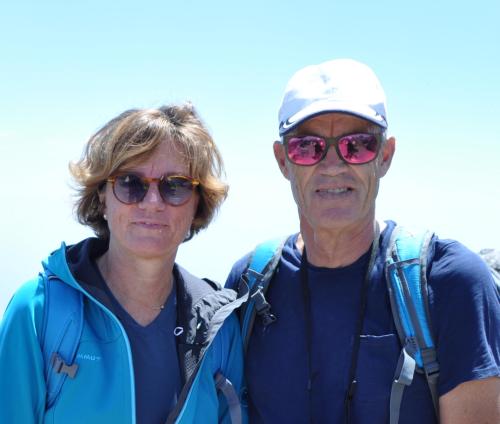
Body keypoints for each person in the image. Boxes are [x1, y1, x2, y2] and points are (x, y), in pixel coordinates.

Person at [225, 59, 500, 423]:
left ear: (385, 156)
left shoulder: (451, 283)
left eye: (357, 145)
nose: (333, 165)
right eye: (307, 147)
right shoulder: (250, 284)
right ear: (282, 161)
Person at [0, 104, 246, 423]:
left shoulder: (219, 330)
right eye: (131, 183)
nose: (152, 202)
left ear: (197, 204)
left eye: (175, 186)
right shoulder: (38, 312)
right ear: (102, 196)